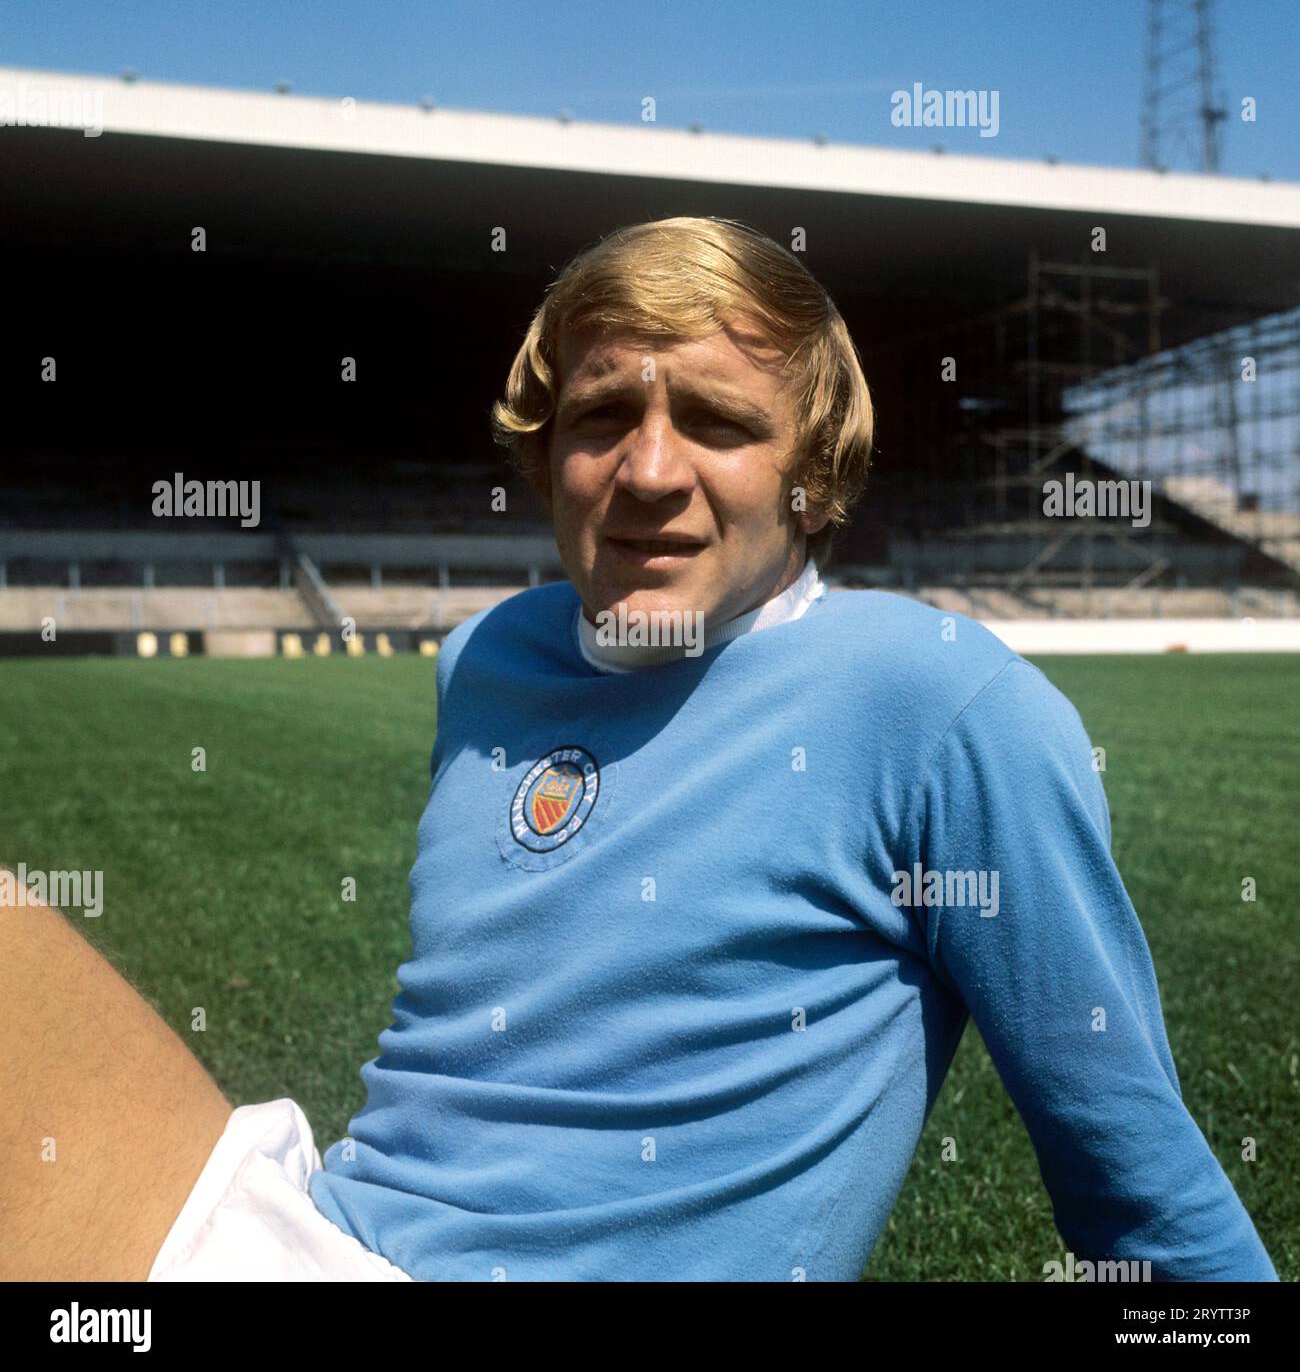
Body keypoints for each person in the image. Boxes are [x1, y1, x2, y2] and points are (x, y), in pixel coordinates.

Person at [1, 216, 1277, 1282]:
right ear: (544, 457)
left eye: (719, 421)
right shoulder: (486, 656)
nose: (648, 469)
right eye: (603, 414)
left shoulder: (937, 702)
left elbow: (1137, 1181)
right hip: (325, 1233)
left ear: (814, 477)